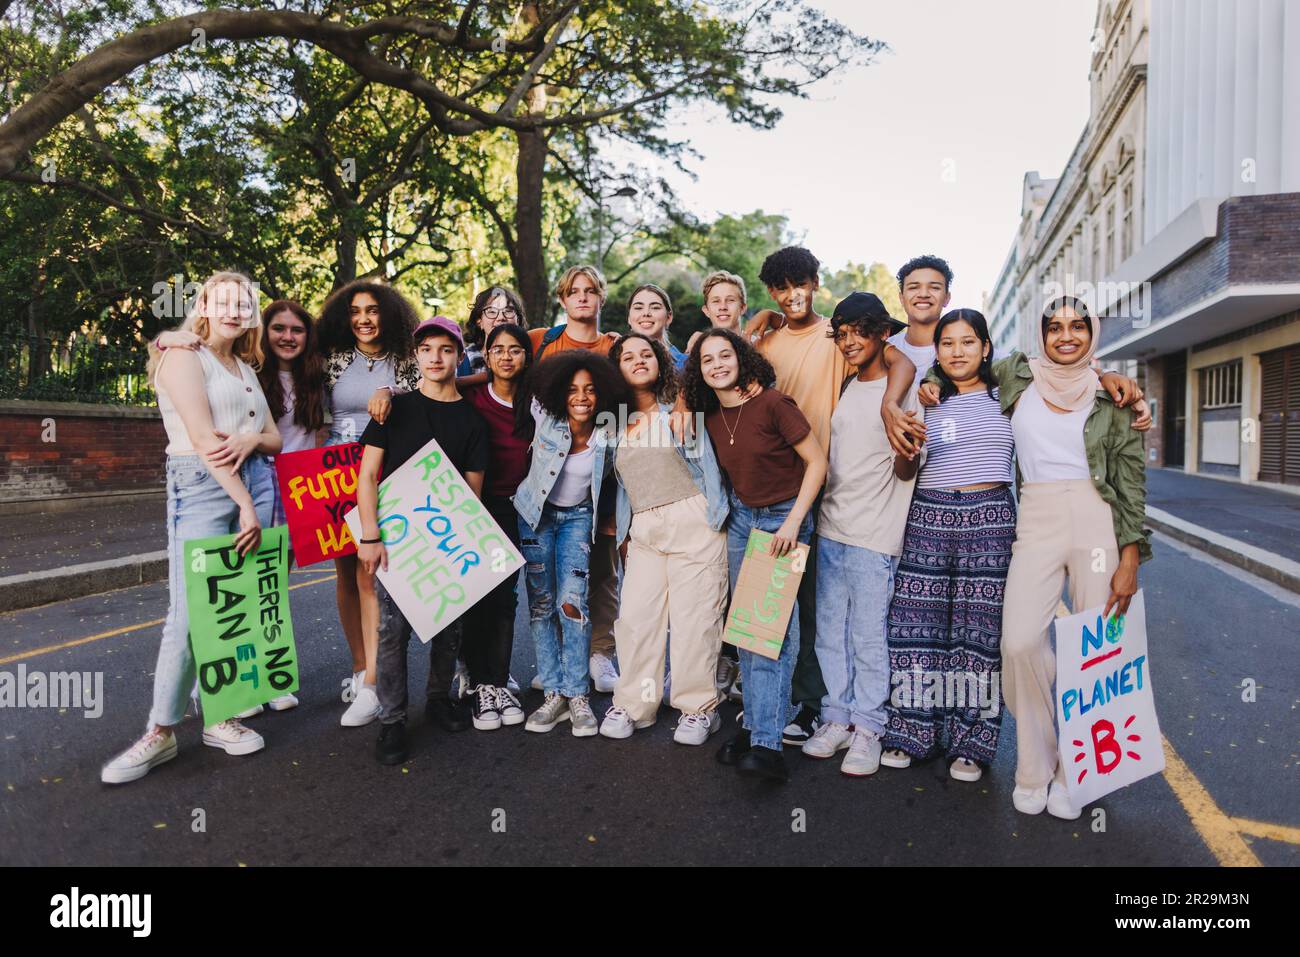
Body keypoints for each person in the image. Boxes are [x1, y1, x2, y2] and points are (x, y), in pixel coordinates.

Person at [925, 297, 1151, 820]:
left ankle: (1078, 773)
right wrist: (927, 382)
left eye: (1077, 327)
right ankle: (1035, 763)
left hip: (1098, 521)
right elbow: (961, 360)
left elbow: (1132, 480)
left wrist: (1130, 556)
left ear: (1091, 333)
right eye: (1054, 327)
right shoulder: (1016, 374)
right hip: (1036, 516)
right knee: (1020, 641)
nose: (1065, 336)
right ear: (1041, 334)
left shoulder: (1111, 394)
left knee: (1096, 650)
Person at [102, 272, 282, 784]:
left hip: (251, 479)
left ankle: (219, 716)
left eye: (243, 303)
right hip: (204, 487)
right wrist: (245, 503)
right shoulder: (183, 355)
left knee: (233, 605)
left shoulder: (245, 367)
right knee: (187, 613)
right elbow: (203, 440)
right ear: (203, 304)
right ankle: (159, 732)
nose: (233, 310)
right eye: (223, 301)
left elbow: (272, 438)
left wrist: (249, 442)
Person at [742, 247, 919, 747]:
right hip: (774, 487)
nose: (790, 294)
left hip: (826, 484)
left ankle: (818, 705)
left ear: (816, 283)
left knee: (827, 608)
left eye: (799, 283)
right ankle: (765, 707)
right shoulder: (769, 340)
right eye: (779, 288)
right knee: (770, 603)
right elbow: (725, 371)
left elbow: (895, 355)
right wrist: (753, 323)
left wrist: (889, 403)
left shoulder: (835, 336)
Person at [682, 328, 827, 782]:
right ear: (700, 373)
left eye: (726, 355)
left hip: (783, 518)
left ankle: (768, 745)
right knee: (748, 630)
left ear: (743, 358)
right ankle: (761, 724)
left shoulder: (773, 404)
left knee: (771, 632)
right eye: (708, 360)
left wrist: (792, 523)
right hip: (743, 519)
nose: (718, 365)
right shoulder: (709, 413)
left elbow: (817, 463)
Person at [879, 308, 1015, 782]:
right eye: (948, 343)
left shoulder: (1010, 397)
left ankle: (971, 743)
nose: (958, 351)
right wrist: (903, 453)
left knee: (980, 635)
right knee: (915, 627)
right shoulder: (923, 402)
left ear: (985, 347)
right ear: (936, 351)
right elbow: (904, 473)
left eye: (967, 342)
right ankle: (912, 733)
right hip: (929, 515)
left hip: (990, 518)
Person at [354, 316, 490, 764]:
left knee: (449, 631)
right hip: (395, 540)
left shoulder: (472, 422)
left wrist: (462, 543)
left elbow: (472, 493)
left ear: (459, 356)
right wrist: (371, 535)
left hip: (446, 541)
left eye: (446, 350)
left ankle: (438, 699)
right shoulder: (393, 409)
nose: (436, 357)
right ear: (416, 356)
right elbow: (368, 476)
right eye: (427, 349)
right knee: (392, 631)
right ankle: (392, 720)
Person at [800, 294, 921, 777]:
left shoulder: (903, 390)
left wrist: (908, 450)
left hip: (875, 532)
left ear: (882, 335)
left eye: (860, 332)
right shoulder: (849, 385)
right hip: (832, 525)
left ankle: (870, 726)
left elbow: (907, 469)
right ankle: (837, 719)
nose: (849, 341)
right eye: (842, 333)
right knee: (830, 632)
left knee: (868, 636)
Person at [599, 333, 730, 745]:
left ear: (660, 360)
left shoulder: (683, 404)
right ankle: (635, 704)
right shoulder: (613, 420)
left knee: (696, 620)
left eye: (646, 354)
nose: (638, 361)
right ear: (616, 368)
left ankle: (696, 708)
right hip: (644, 529)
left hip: (694, 518)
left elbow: (718, 358)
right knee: (637, 619)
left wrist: (687, 398)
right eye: (627, 356)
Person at [316, 280, 420, 727]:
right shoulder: (332, 359)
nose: (364, 318)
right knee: (342, 571)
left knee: (369, 574)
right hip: (333, 472)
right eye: (356, 310)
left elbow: (425, 400)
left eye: (373, 310)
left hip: (384, 471)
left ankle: (375, 681)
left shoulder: (407, 360)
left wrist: (392, 393)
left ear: (388, 314)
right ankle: (359, 669)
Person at [513, 350, 625, 736]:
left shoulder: (609, 432)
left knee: (572, 604)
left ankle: (577, 694)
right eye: (574, 389)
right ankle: (554, 692)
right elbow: (507, 368)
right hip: (535, 518)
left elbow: (655, 406)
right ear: (560, 392)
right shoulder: (546, 416)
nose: (582, 397)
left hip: (578, 519)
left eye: (591, 390)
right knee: (542, 604)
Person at [524, 265, 624, 695]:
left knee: (600, 571)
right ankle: (561, 663)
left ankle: (599, 654)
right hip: (549, 472)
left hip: (600, 462)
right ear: (563, 300)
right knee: (551, 583)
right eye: (574, 292)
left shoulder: (615, 346)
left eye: (591, 291)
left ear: (602, 298)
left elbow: (648, 377)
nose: (582, 298)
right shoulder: (540, 341)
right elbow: (500, 378)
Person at [458, 323, 534, 730]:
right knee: (476, 596)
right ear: (485, 356)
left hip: (516, 509)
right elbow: (428, 396)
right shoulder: (470, 396)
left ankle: (499, 680)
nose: (507, 356)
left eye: (516, 349)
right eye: (498, 349)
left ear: (526, 356)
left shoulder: (537, 401)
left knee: (505, 597)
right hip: (475, 505)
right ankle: (479, 683)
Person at [458, 286, 526, 376]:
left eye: (508, 311)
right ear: (479, 321)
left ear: (518, 319)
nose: (501, 317)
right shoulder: (463, 360)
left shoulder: (531, 354)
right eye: (492, 312)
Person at [625, 283, 688, 371]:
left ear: (669, 317)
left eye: (655, 307)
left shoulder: (689, 364)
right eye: (638, 308)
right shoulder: (615, 364)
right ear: (629, 318)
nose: (646, 313)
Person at [686, 270, 747, 354]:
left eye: (730, 300)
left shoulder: (760, 344)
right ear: (706, 311)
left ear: (742, 308)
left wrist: (769, 315)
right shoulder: (698, 349)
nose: (723, 307)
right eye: (716, 301)